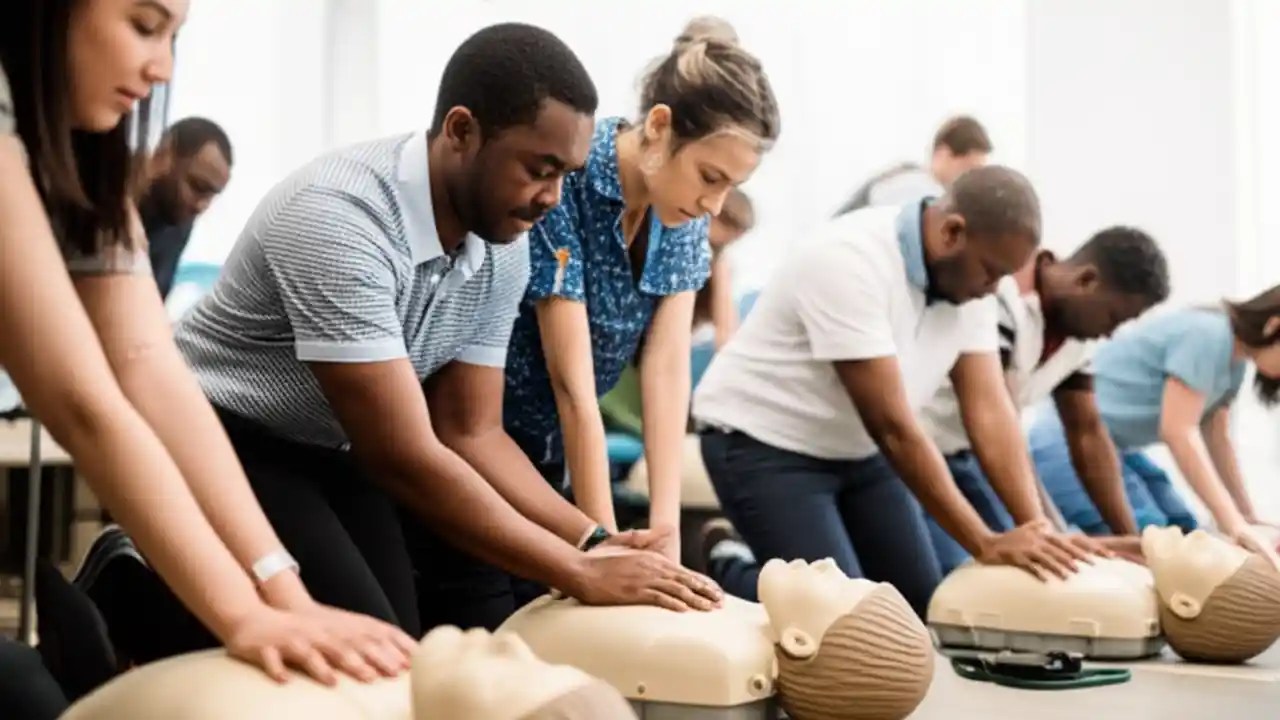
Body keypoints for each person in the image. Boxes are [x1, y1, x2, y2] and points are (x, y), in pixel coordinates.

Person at [78, 22, 722, 661]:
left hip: (334, 446)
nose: (551, 200)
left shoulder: (507, 243)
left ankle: (150, 598)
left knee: (400, 641)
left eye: (566, 175)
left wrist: (591, 540)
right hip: (221, 428)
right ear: (462, 131)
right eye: (539, 169)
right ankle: (134, 596)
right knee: (368, 650)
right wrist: (578, 572)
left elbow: (472, 432)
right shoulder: (340, 217)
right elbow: (405, 455)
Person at [0, 0, 414, 707]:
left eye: (175, 38)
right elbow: (84, 402)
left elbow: (152, 374)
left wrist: (284, 593)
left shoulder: (85, 166)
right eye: (142, 24)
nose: (162, 67)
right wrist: (242, 612)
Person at [690, 166, 1103, 616]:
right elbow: (893, 427)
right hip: (764, 442)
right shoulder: (847, 258)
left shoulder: (974, 288)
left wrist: (1035, 528)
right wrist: (985, 542)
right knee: (844, 618)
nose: (992, 290)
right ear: (951, 232)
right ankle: (725, 562)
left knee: (920, 607)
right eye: (989, 272)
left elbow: (989, 411)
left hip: (858, 450)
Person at [501, 15, 779, 570]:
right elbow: (571, 382)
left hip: (559, 455)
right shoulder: (573, 174)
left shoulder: (681, 212)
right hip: (491, 443)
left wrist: (665, 532)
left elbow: (668, 366)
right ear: (659, 126)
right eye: (709, 177)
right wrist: (602, 542)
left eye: (731, 186)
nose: (716, 205)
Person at [918, 226, 1171, 573]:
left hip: (966, 456)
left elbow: (1087, 433)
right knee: (958, 572)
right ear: (1086, 280)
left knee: (1023, 568)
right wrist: (1050, 530)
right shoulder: (1004, 297)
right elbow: (997, 424)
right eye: (1114, 317)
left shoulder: (1078, 335)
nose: (1111, 333)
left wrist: (1130, 540)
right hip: (919, 450)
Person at [1032, 283, 1280, 567]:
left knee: (1185, 529)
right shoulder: (1209, 334)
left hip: (1117, 449)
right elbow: (1178, 431)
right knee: (1156, 544)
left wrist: (1245, 516)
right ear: (1274, 325)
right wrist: (1233, 524)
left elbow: (1216, 436)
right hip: (1068, 446)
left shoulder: (1235, 361)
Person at [599, 188, 756, 439]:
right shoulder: (660, 234)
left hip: (653, 352)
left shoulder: (714, 267)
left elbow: (726, 335)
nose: (725, 241)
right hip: (622, 344)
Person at [139, 116, 233, 298]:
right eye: (197, 186)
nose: (202, 206)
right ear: (164, 155)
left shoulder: (180, 222)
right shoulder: (110, 199)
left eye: (211, 196)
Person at [834, 115, 992, 215]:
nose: (971, 180)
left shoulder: (909, 179)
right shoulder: (915, 187)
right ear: (943, 154)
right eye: (968, 169)